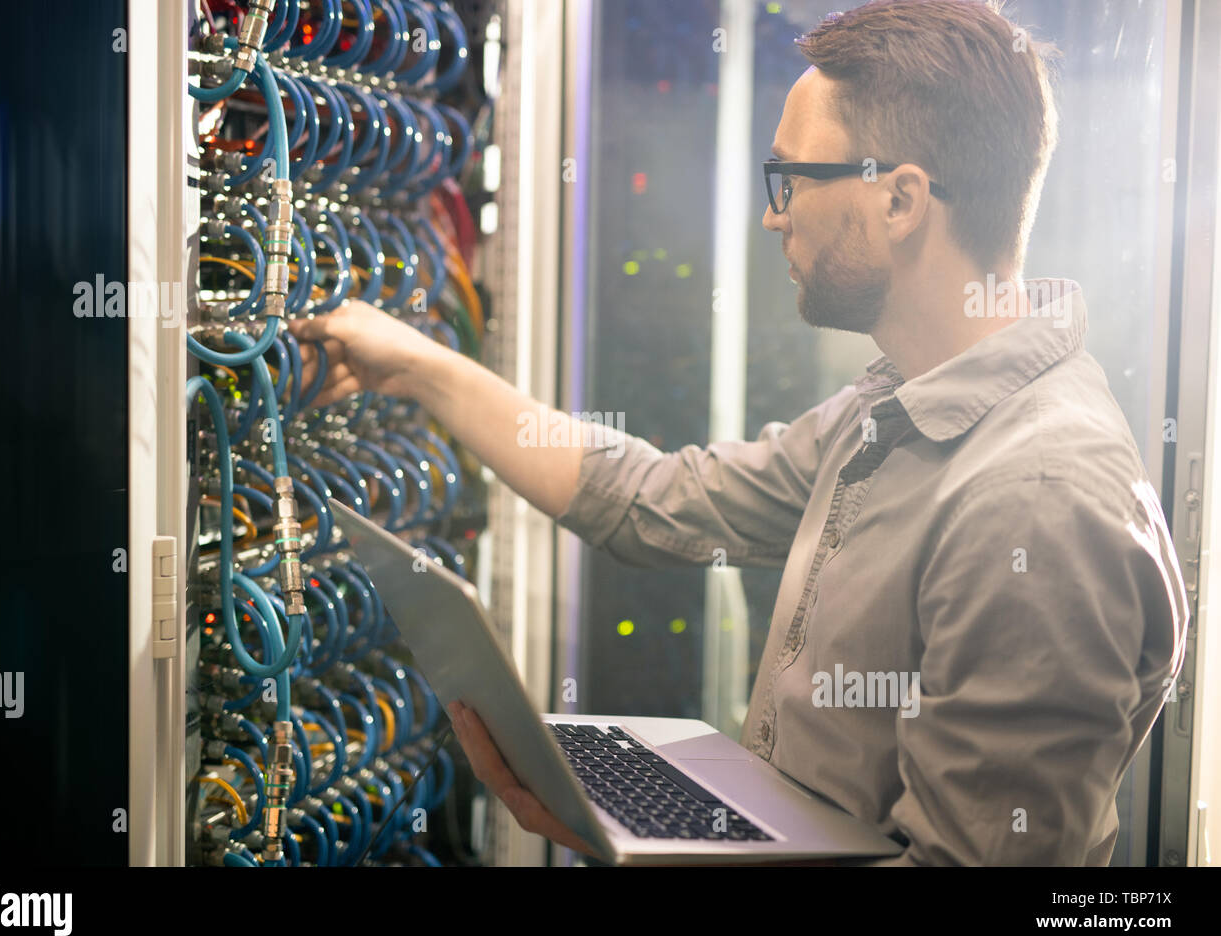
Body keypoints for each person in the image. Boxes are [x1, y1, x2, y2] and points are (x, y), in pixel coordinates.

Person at [295, 0, 1188, 865]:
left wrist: (652, 849)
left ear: (901, 201)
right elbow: (658, 500)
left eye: (792, 178)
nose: (775, 213)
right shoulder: (900, 403)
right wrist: (415, 364)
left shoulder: (1036, 501)